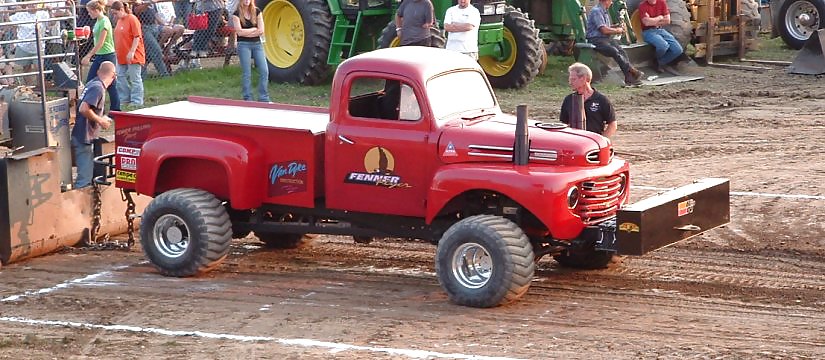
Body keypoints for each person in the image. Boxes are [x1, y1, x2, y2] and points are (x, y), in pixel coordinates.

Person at [71, 61, 115, 189]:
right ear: (113, 76)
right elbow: (83, 109)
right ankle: (79, 203)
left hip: (83, 134)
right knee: (84, 180)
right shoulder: (97, 88)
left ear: (98, 72)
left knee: (87, 175)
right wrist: (100, 121)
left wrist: (101, 118)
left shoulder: (92, 83)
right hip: (84, 136)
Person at [585, 0, 643, 87]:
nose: (611, 3)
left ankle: (629, 76)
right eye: (610, 1)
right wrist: (617, 30)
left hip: (605, 38)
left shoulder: (604, 11)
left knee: (621, 51)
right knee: (614, 51)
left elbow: (605, 27)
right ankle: (632, 71)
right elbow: (603, 30)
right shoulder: (596, 11)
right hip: (596, 39)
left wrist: (616, 26)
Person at [81, 0, 120, 113]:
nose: (89, 14)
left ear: (97, 10)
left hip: (107, 55)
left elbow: (100, 43)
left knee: (111, 84)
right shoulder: (98, 21)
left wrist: (88, 56)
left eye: (90, 12)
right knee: (91, 81)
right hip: (100, 55)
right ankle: (94, 107)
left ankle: (115, 109)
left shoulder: (104, 21)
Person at [559, 62, 617, 139]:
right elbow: (564, 123)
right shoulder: (568, 100)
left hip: (594, 145)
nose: (570, 82)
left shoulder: (601, 100)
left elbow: (612, 124)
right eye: (570, 79)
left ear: (584, 78)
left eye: (573, 79)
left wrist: (601, 141)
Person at [231, 0, 269, 102]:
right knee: (247, 72)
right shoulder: (236, 14)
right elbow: (239, 32)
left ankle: (263, 97)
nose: (247, 0)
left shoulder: (257, 11)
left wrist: (248, 32)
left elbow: (261, 30)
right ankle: (248, 97)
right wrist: (253, 29)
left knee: (264, 71)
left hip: (257, 44)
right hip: (243, 45)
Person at [112, 1, 145, 106]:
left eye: (115, 13)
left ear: (121, 10)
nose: (114, 16)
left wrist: (132, 52)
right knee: (120, 76)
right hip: (121, 54)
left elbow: (137, 36)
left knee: (135, 78)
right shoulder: (119, 21)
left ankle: (137, 101)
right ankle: (125, 98)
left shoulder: (132, 19)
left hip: (133, 54)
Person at [638, 0, 684, 75]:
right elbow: (646, 23)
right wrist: (660, 17)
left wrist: (653, 20)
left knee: (678, 50)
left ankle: (658, 62)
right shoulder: (642, 5)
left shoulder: (662, 2)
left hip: (660, 30)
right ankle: (656, 62)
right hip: (648, 31)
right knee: (663, 45)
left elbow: (667, 20)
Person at [9, 3, 49, 86]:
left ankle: (41, 88)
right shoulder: (20, 14)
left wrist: (50, 12)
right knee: (26, 68)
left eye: (34, 4)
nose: (32, 6)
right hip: (24, 46)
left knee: (39, 68)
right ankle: (29, 88)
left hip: (39, 46)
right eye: (30, 4)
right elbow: (9, 21)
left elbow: (52, 23)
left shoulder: (43, 14)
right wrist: (6, 12)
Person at [134, 0, 171, 77]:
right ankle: (164, 74)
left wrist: (164, 24)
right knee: (157, 51)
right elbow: (136, 11)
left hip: (154, 26)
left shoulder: (152, 3)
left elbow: (155, 14)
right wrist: (148, 3)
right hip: (144, 27)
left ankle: (142, 74)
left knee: (148, 53)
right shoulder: (138, 1)